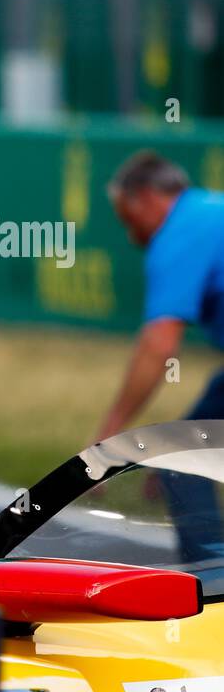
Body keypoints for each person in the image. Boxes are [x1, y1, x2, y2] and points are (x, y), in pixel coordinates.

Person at [96, 151, 224, 563]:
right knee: (180, 458)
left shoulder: (181, 232)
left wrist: (112, 436)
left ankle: (211, 590)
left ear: (147, 198)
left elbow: (159, 344)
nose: (133, 238)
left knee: (183, 459)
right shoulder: (210, 211)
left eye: (129, 221)